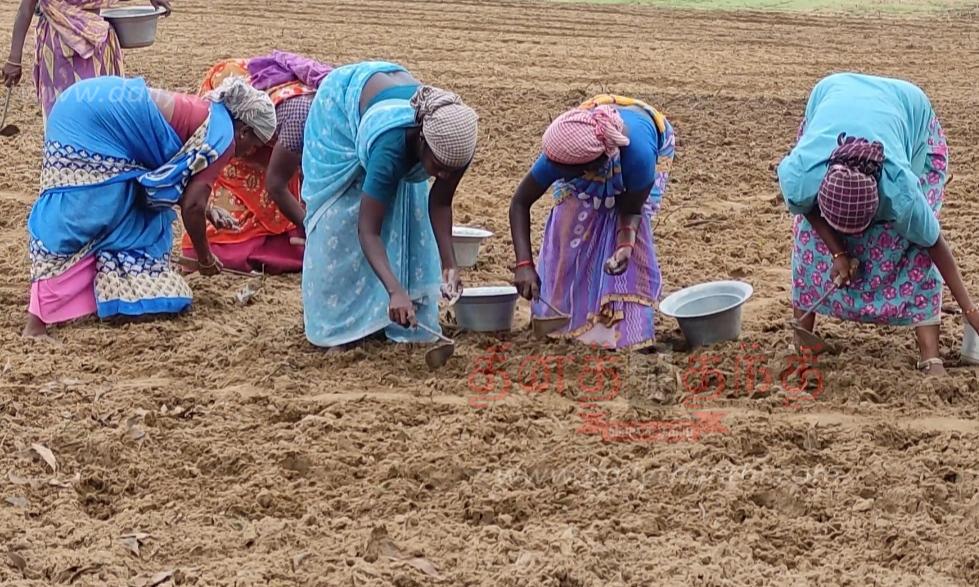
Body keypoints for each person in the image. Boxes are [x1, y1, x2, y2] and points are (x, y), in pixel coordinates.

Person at [24, 74, 276, 338]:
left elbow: (170, 178)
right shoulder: (223, 137)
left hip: (79, 104)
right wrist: (205, 258)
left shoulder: (212, 115)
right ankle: (36, 322)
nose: (248, 153)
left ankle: (114, 295)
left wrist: (209, 210)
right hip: (90, 125)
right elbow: (192, 206)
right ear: (244, 131)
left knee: (134, 210)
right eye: (253, 146)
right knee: (85, 216)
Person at [777, 72, 979, 376]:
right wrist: (837, 253)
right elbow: (807, 209)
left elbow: (933, 243)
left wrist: (970, 310)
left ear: (879, 204)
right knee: (808, 239)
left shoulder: (901, 191)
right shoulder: (803, 174)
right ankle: (803, 339)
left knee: (909, 244)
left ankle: (929, 353)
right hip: (833, 94)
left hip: (909, 111)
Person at [300, 60, 478, 350]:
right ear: (421, 140)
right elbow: (367, 230)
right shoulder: (391, 146)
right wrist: (396, 291)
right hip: (339, 111)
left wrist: (450, 264)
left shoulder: (455, 144)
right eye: (438, 166)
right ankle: (342, 324)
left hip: (391, 102)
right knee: (340, 217)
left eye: (451, 169)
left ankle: (393, 315)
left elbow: (441, 204)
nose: (444, 175)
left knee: (410, 210)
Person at [509, 94, 676, 350]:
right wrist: (524, 264)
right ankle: (567, 320)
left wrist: (624, 246)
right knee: (571, 221)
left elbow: (630, 210)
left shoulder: (639, 159)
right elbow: (520, 202)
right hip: (595, 135)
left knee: (623, 244)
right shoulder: (562, 151)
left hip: (638, 148)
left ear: (594, 165)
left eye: (563, 172)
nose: (556, 175)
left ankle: (622, 332)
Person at [178, 51, 334, 274]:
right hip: (233, 98)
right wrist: (314, 231)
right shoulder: (296, 122)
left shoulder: (326, 113)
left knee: (288, 178)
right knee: (244, 179)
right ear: (245, 133)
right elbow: (275, 186)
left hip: (254, 114)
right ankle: (213, 250)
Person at [2, 0, 171, 118]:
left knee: (102, 108)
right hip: (59, 45)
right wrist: (14, 59)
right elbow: (26, 8)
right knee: (64, 109)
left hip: (98, 45)